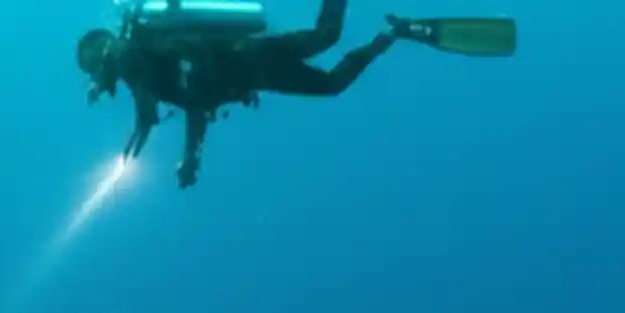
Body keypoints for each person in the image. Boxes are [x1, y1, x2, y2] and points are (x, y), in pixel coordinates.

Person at [77, 0, 420, 189]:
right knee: (327, 49)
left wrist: (191, 159)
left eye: (94, 72)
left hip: (251, 62)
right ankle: (390, 34)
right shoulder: (138, 64)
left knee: (327, 54)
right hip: (251, 63)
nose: (98, 82)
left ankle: (389, 35)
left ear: (101, 57)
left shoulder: (135, 60)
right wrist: (131, 152)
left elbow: (191, 99)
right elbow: (147, 114)